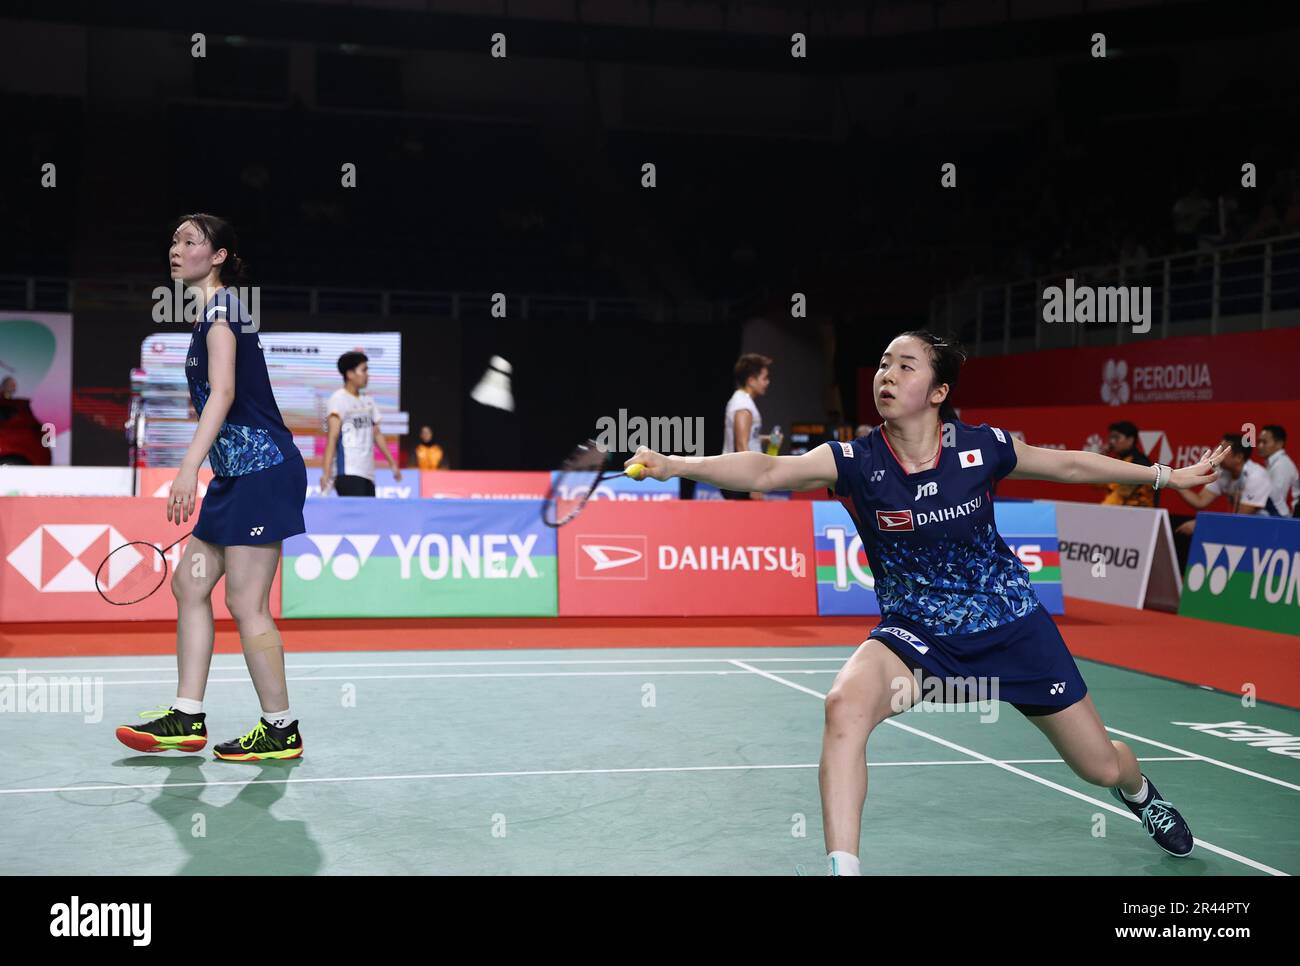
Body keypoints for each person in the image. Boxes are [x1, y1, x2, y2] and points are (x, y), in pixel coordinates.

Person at [627, 329, 1226, 875]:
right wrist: (673, 463)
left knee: (1098, 766)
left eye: (904, 366)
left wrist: (1166, 477)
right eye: (882, 364)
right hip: (918, 636)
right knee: (844, 707)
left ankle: (1141, 793)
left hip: (1013, 629)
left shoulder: (983, 448)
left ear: (938, 390)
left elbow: (1067, 464)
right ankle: (844, 868)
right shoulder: (854, 462)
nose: (886, 375)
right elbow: (763, 469)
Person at [116, 213, 307, 762]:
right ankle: (187, 716)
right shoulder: (208, 319)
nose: (175, 249)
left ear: (218, 256)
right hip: (235, 478)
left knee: (246, 602)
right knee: (190, 586)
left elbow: (222, 395)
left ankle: (280, 728)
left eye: (190, 240)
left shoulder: (225, 312)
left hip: (262, 472)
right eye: (173, 239)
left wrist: (185, 470)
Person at [321, 351, 401, 496]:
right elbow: (332, 438)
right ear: (350, 374)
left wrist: (392, 463)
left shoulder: (368, 401)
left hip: (368, 474)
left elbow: (377, 434)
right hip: (348, 472)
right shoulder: (338, 399)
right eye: (363, 370)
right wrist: (326, 473)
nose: (367, 374)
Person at [1172, 432, 1270, 537]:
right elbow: (1200, 501)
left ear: (1239, 457)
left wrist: (1201, 524)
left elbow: (1240, 518)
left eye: (1223, 451)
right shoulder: (1224, 473)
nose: (1216, 453)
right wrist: (1174, 482)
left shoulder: (1256, 477)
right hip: (1248, 528)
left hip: (1272, 529)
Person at [722, 352, 773, 500]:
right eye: (764, 378)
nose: (767, 382)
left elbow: (746, 436)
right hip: (738, 480)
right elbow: (741, 445)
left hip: (739, 478)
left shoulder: (743, 401)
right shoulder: (743, 406)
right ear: (751, 380)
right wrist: (753, 485)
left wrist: (765, 439)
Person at [1098, 421, 1156, 507]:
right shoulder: (1118, 460)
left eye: (1116, 437)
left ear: (1130, 440)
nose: (1112, 442)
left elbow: (1122, 493)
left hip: (1140, 514)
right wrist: (1100, 458)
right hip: (1118, 511)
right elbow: (1096, 482)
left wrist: (1101, 510)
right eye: (1111, 437)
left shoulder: (1140, 463)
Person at [1257, 425, 1298, 518]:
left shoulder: (1282, 465)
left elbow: (1278, 503)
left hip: (1289, 522)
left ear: (1279, 444)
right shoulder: (1273, 463)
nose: (1260, 446)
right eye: (1259, 442)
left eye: (1264, 442)